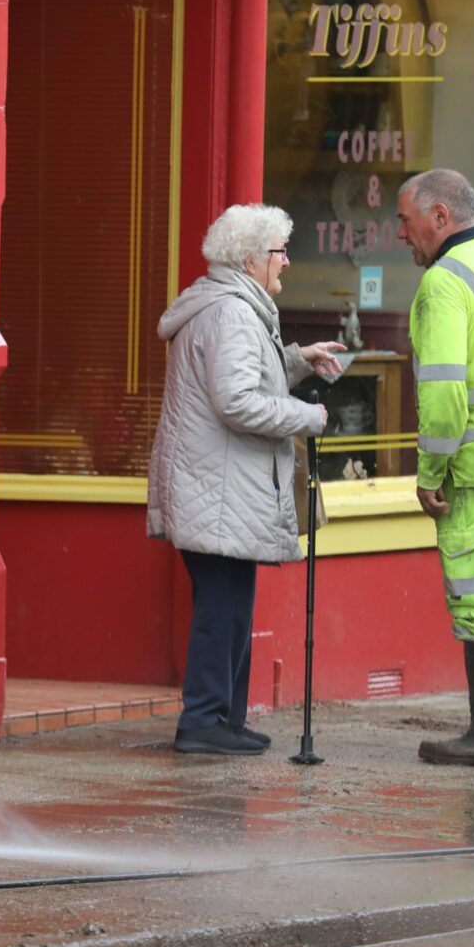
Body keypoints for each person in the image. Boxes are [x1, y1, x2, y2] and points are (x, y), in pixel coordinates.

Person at [147, 204, 345, 755]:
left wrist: (297, 360)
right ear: (253, 259)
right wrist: (309, 417)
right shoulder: (233, 312)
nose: (286, 262)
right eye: (280, 252)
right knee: (222, 604)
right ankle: (205, 720)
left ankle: (224, 718)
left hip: (217, 483)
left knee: (230, 601)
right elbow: (236, 400)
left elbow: (243, 374)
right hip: (218, 485)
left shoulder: (230, 306)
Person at [396, 168, 474, 767]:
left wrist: (430, 470)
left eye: (405, 219)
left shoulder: (447, 282)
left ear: (440, 217)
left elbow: (444, 393)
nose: (401, 233)